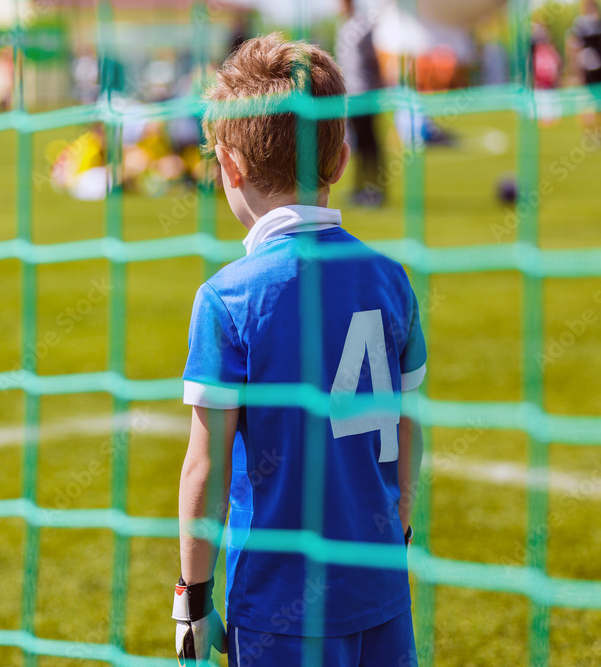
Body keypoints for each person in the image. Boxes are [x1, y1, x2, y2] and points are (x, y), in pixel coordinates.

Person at [173, 33, 426, 666]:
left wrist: (193, 598)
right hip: (381, 583)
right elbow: (409, 422)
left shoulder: (227, 298)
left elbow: (203, 466)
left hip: (280, 605)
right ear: (340, 160)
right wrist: (398, 525)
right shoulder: (390, 278)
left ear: (229, 166)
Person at [336, 0, 385, 207]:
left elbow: (374, 58)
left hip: (365, 92)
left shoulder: (362, 26)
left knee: (369, 143)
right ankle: (360, 189)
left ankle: (375, 190)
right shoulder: (345, 27)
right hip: (352, 95)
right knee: (357, 144)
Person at [567, 0, 601, 145]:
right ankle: (588, 135)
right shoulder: (580, 26)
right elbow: (573, 47)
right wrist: (576, 71)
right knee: (587, 103)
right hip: (587, 72)